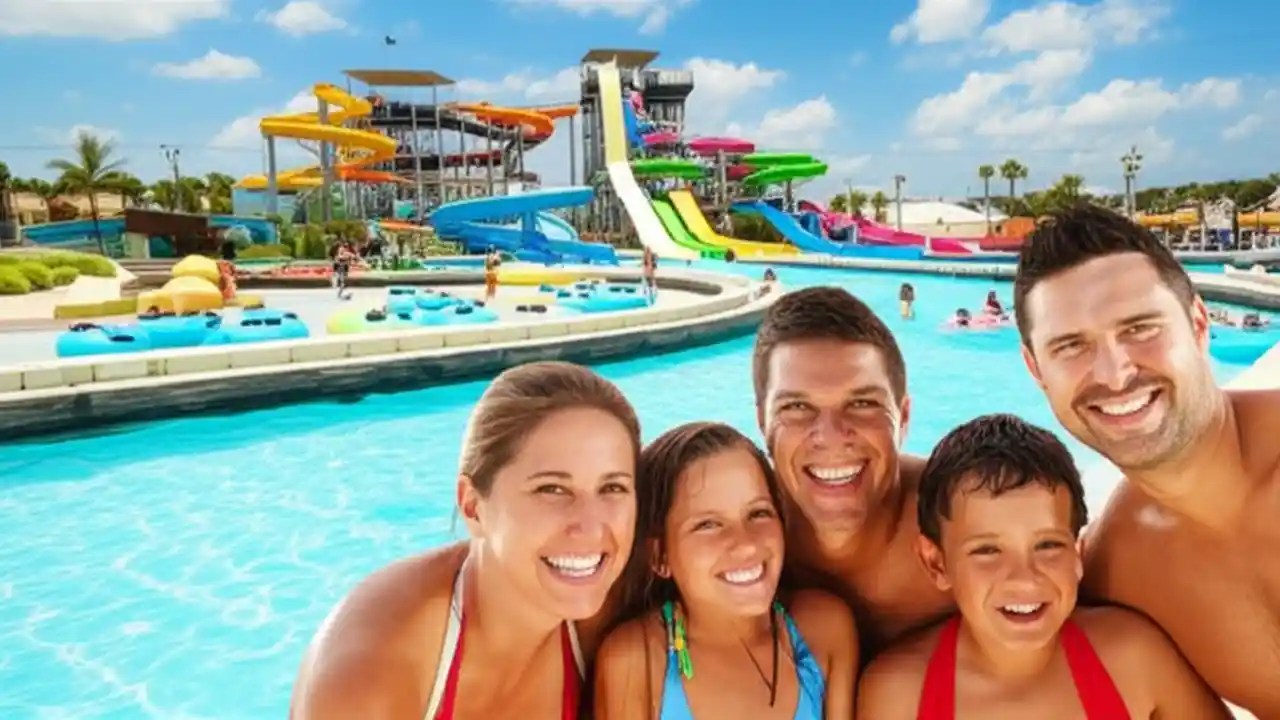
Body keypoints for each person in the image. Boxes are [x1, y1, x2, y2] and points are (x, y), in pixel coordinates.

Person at [1014, 203, 1280, 717]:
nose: (1115, 374)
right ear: (1036, 369)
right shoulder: (1116, 575)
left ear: (1199, 323)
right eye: (1071, 346)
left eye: (1139, 328)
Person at [289, 361, 643, 719]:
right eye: (551, 489)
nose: (590, 527)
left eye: (612, 487)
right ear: (472, 507)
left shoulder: (616, 623)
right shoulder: (377, 669)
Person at [856, 414, 1229, 719]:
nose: (1024, 577)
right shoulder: (899, 695)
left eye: (1048, 545)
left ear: (1078, 553)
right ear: (936, 563)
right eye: (987, 550)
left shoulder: (1132, 656)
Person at [594, 422, 858, 720]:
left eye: (758, 513)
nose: (745, 545)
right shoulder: (637, 658)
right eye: (708, 524)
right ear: (660, 556)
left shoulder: (823, 629)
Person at [752, 287, 954, 655]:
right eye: (797, 406)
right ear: (761, 421)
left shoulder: (961, 524)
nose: (830, 436)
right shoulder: (728, 536)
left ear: (904, 418)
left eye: (862, 403)